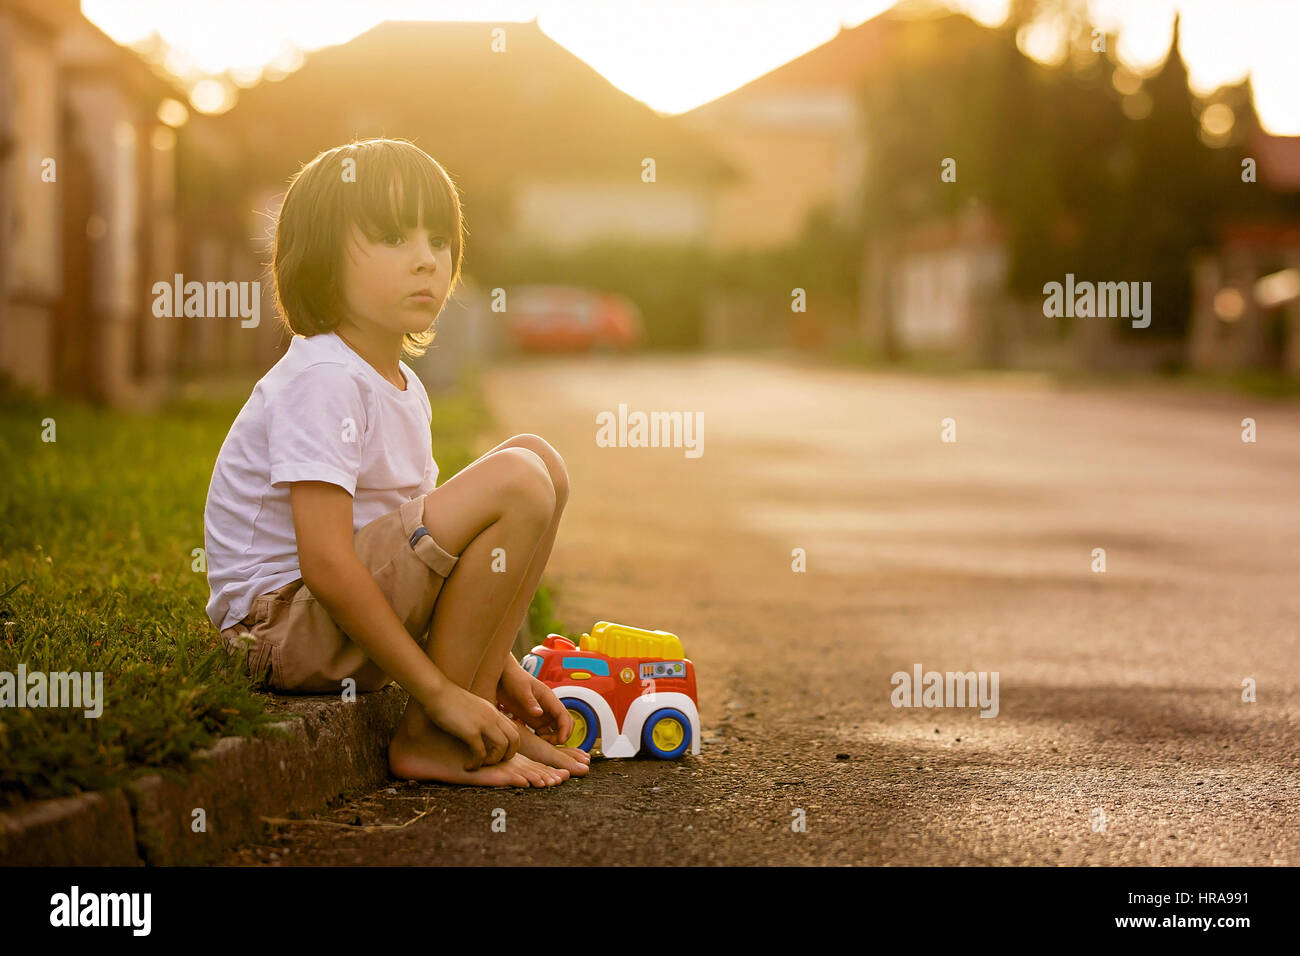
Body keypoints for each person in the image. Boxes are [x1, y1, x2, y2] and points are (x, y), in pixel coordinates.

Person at [203, 138, 588, 787]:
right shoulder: (323, 376)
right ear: (321, 259)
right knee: (518, 478)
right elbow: (326, 562)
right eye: (391, 237)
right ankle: (431, 734)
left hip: (331, 622)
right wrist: (437, 691)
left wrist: (505, 672)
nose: (425, 262)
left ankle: (485, 709)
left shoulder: (403, 387)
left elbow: (445, 566)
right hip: (278, 628)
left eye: (439, 241)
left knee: (540, 461)